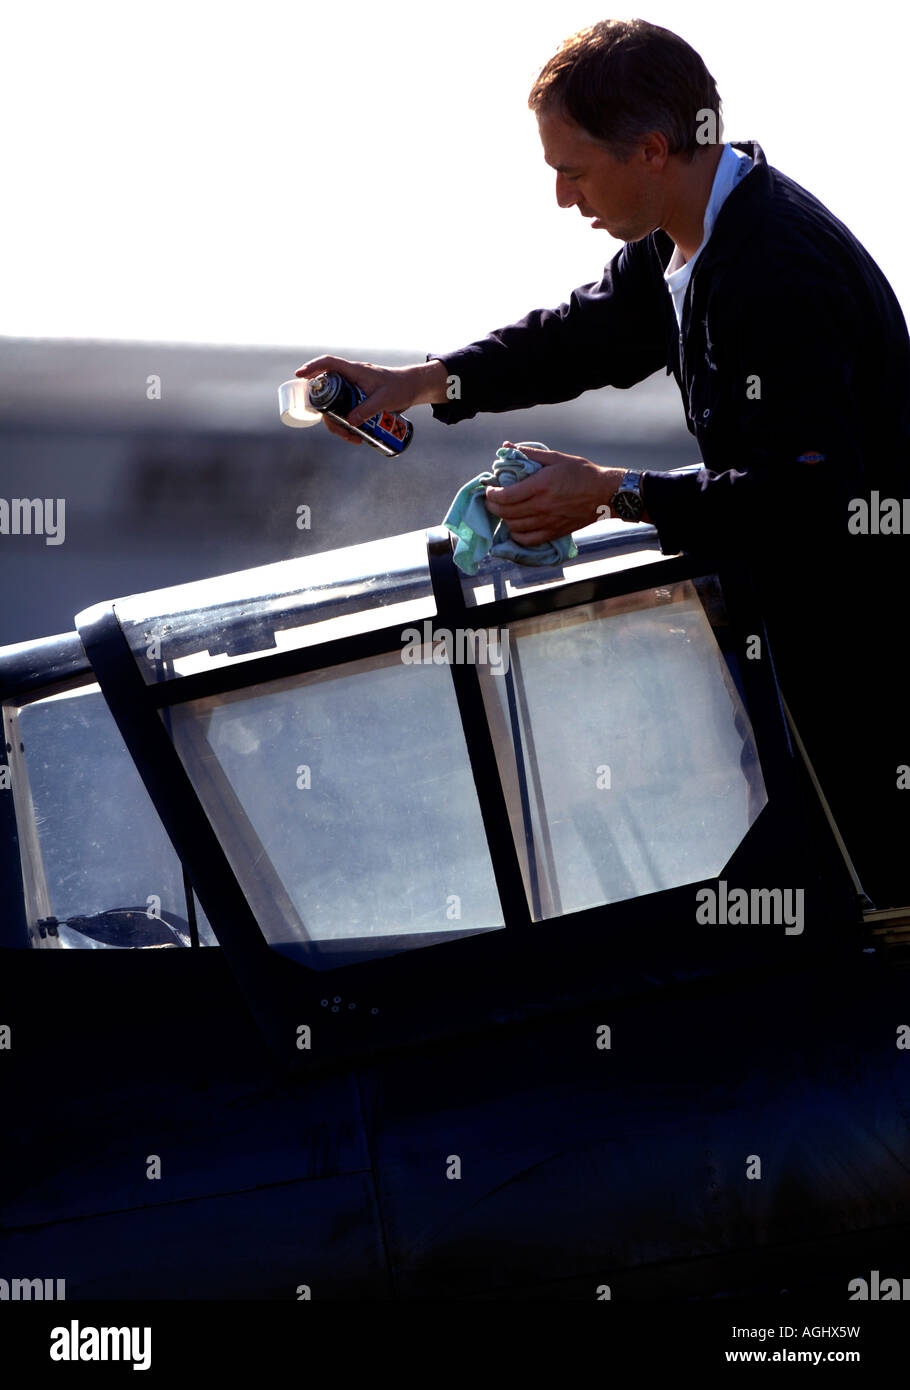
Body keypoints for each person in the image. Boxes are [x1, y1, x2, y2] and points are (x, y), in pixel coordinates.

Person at [297, 18, 909, 910]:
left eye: (573, 171)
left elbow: (818, 496)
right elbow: (577, 336)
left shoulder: (773, 267)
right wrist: (415, 384)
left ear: (653, 151)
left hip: (869, 709)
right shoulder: (694, 236)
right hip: (814, 690)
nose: (559, 196)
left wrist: (614, 493)